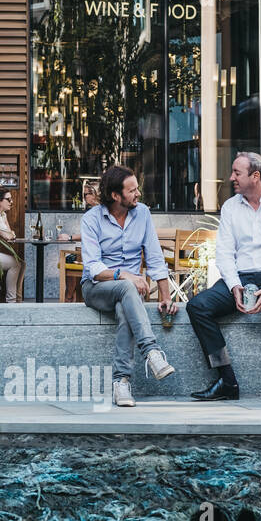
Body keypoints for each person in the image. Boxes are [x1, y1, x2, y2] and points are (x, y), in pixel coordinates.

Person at [187, 152, 261, 409]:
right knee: (197, 306)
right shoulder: (230, 207)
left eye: (236, 173)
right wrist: (234, 286)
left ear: (255, 176)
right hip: (241, 277)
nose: (231, 178)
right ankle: (227, 381)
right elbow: (224, 253)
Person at [79, 165, 177, 407]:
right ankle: (152, 352)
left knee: (126, 308)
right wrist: (125, 276)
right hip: (96, 288)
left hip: (129, 292)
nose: (138, 194)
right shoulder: (91, 219)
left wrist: (165, 296)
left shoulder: (142, 213)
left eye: (137, 189)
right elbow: (93, 268)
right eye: (132, 190)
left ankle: (121, 383)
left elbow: (154, 257)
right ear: (115, 196)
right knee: (127, 288)